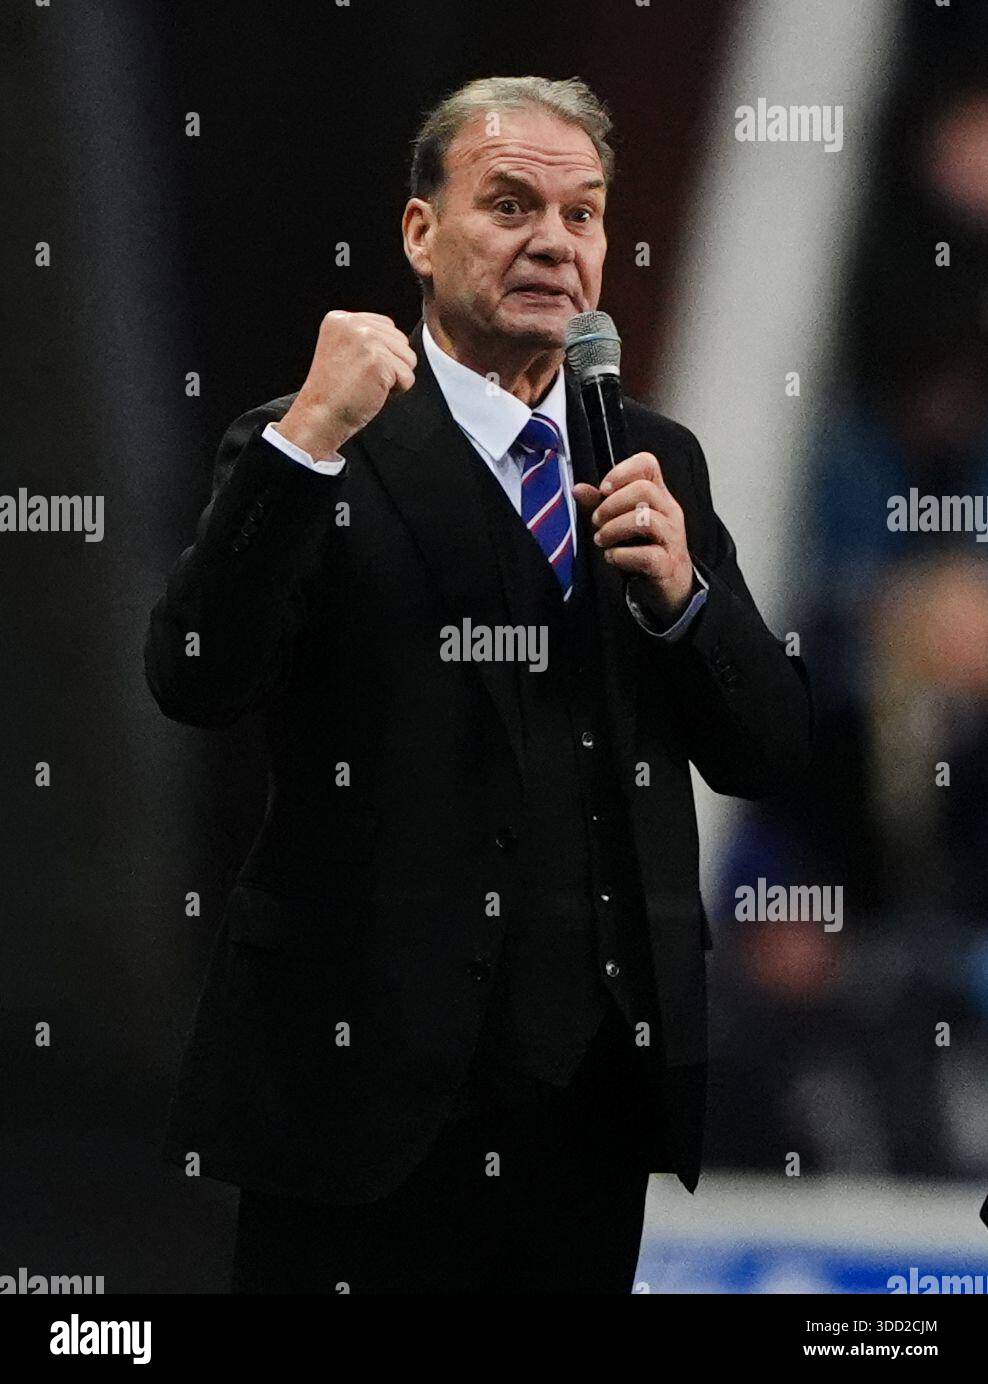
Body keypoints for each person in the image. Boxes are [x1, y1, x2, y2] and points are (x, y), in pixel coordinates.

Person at [144, 75, 812, 1294]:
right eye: (511, 205)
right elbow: (195, 675)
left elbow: (768, 751)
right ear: (419, 232)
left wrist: (688, 602)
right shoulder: (318, 443)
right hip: (355, 1101)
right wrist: (303, 445)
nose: (554, 241)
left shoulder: (655, 460)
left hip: (589, 1102)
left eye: (583, 213)